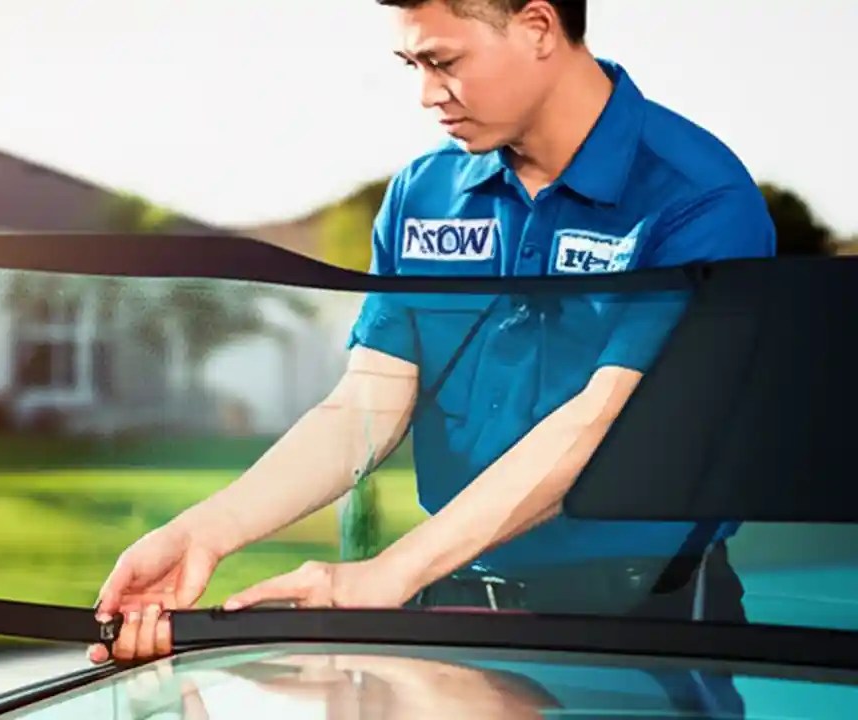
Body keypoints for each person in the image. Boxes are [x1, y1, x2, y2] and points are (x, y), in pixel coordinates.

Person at [89, 3, 775, 712]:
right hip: (448, 630)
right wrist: (202, 532)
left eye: (444, 62)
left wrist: (387, 574)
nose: (426, 94)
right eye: (412, 65)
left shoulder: (701, 201)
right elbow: (365, 405)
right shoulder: (423, 194)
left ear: (539, 28)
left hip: (643, 638)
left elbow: (603, 424)